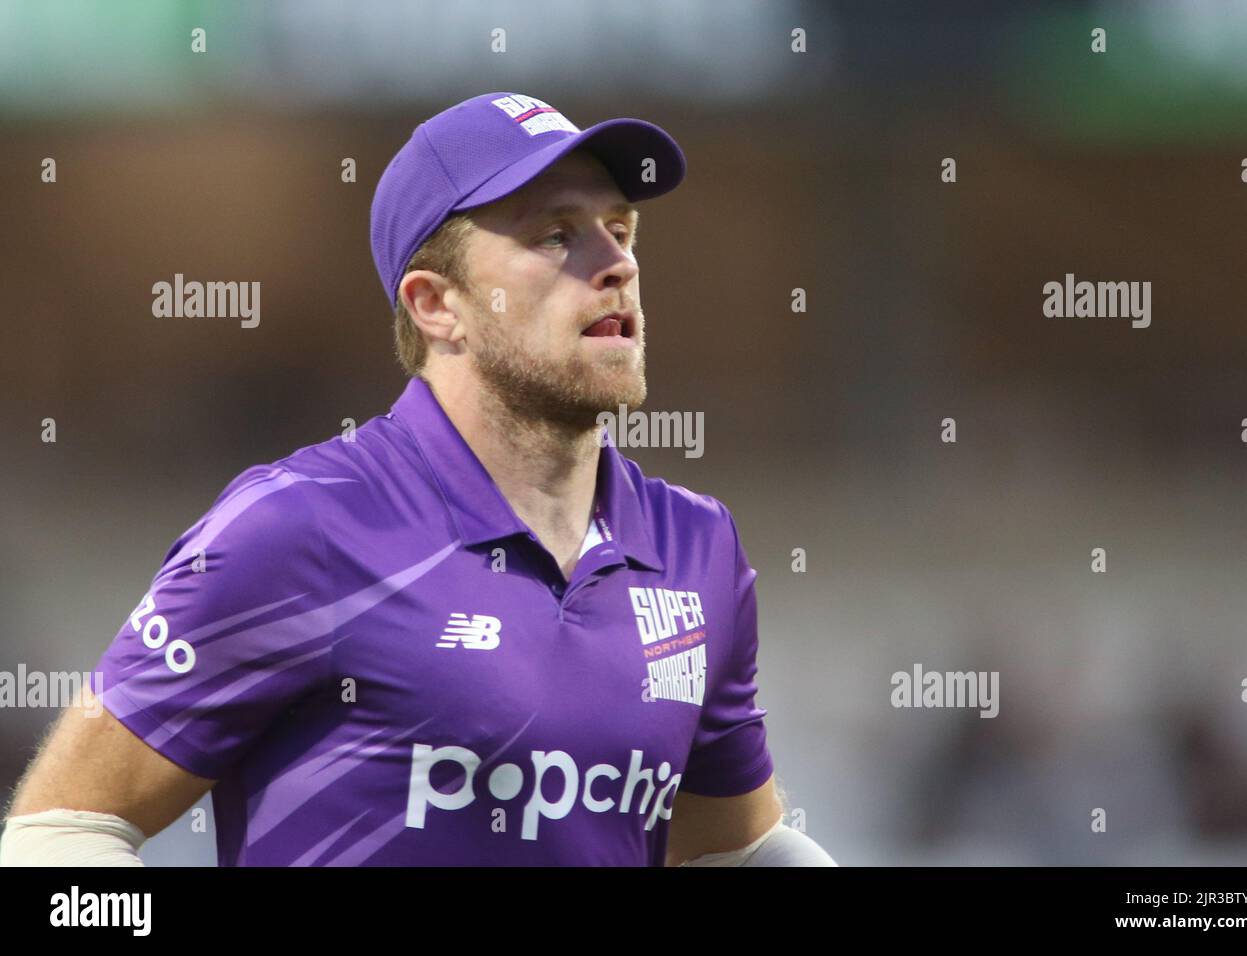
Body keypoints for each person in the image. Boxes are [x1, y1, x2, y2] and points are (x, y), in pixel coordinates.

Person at [1, 92, 836, 867]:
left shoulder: (696, 547)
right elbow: (57, 838)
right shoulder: (303, 528)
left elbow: (737, 853)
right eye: (555, 235)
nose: (616, 263)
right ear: (437, 305)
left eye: (621, 229)